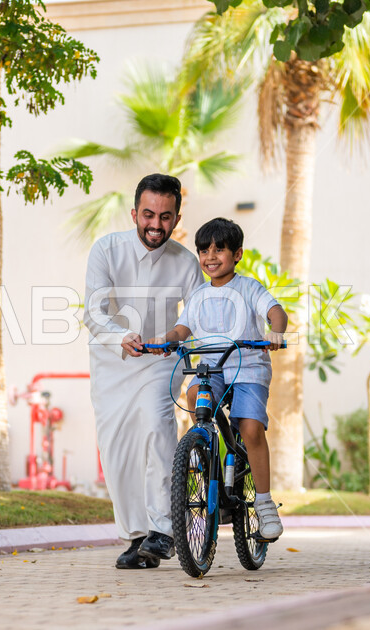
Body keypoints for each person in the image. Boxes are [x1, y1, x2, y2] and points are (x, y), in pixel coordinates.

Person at [84, 173, 203, 569]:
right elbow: (94, 312)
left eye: (166, 217)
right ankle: (138, 539)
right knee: (117, 453)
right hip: (112, 364)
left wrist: (178, 334)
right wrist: (120, 337)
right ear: (135, 212)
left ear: (177, 218)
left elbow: (199, 313)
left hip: (160, 360)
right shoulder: (106, 250)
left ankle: (165, 530)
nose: (156, 225)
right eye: (149, 214)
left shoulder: (186, 263)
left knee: (156, 428)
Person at [147, 217, 287, 541]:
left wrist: (275, 330)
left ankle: (264, 504)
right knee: (196, 395)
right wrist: (166, 340)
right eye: (204, 250)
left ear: (237, 254)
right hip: (211, 366)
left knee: (250, 428)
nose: (211, 256)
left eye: (219, 249)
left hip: (248, 365)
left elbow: (275, 311)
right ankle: (207, 448)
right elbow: (182, 329)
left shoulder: (249, 287)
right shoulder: (197, 295)